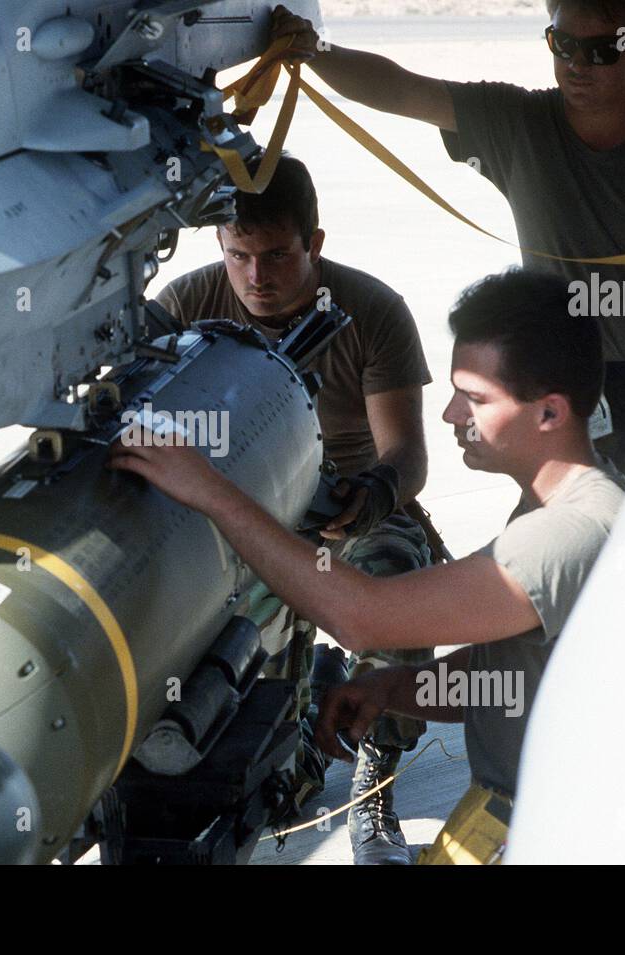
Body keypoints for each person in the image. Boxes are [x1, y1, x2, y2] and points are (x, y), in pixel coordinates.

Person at [110, 268, 625, 864]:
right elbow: (512, 681)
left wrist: (209, 489)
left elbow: (361, 617)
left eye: (476, 399)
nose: (451, 414)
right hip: (512, 816)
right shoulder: (562, 507)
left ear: (549, 413)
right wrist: (393, 688)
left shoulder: (565, 534)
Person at [269, 1, 625, 480]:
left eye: (601, 50)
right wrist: (315, 52)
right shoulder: (519, 123)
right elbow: (404, 89)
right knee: (558, 548)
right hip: (561, 395)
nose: (577, 64)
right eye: (563, 44)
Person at [153, 153, 436, 864]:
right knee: (271, 757)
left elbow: (407, 456)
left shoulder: (371, 311)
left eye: (277, 253)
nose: (256, 275)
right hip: (235, 520)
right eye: (237, 255)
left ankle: (375, 785)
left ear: (315, 242)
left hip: (343, 512)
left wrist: (369, 498)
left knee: (396, 588)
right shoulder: (184, 306)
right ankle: (304, 719)